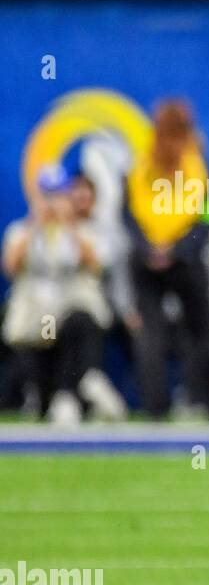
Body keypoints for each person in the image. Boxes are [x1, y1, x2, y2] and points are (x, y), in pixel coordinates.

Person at [124, 99, 209, 420]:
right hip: (178, 260)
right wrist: (172, 251)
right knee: (197, 333)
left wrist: (156, 250)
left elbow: (127, 216)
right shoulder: (196, 166)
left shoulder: (142, 164)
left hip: (165, 260)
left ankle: (157, 409)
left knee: (156, 334)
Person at [1, 166, 124, 424]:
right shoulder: (21, 230)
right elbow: (10, 267)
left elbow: (96, 264)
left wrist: (69, 225)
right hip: (35, 319)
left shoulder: (84, 230)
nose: (53, 202)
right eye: (48, 195)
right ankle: (60, 394)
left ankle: (77, 388)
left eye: (58, 195)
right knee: (42, 394)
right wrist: (36, 224)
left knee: (81, 320)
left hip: (68, 312)